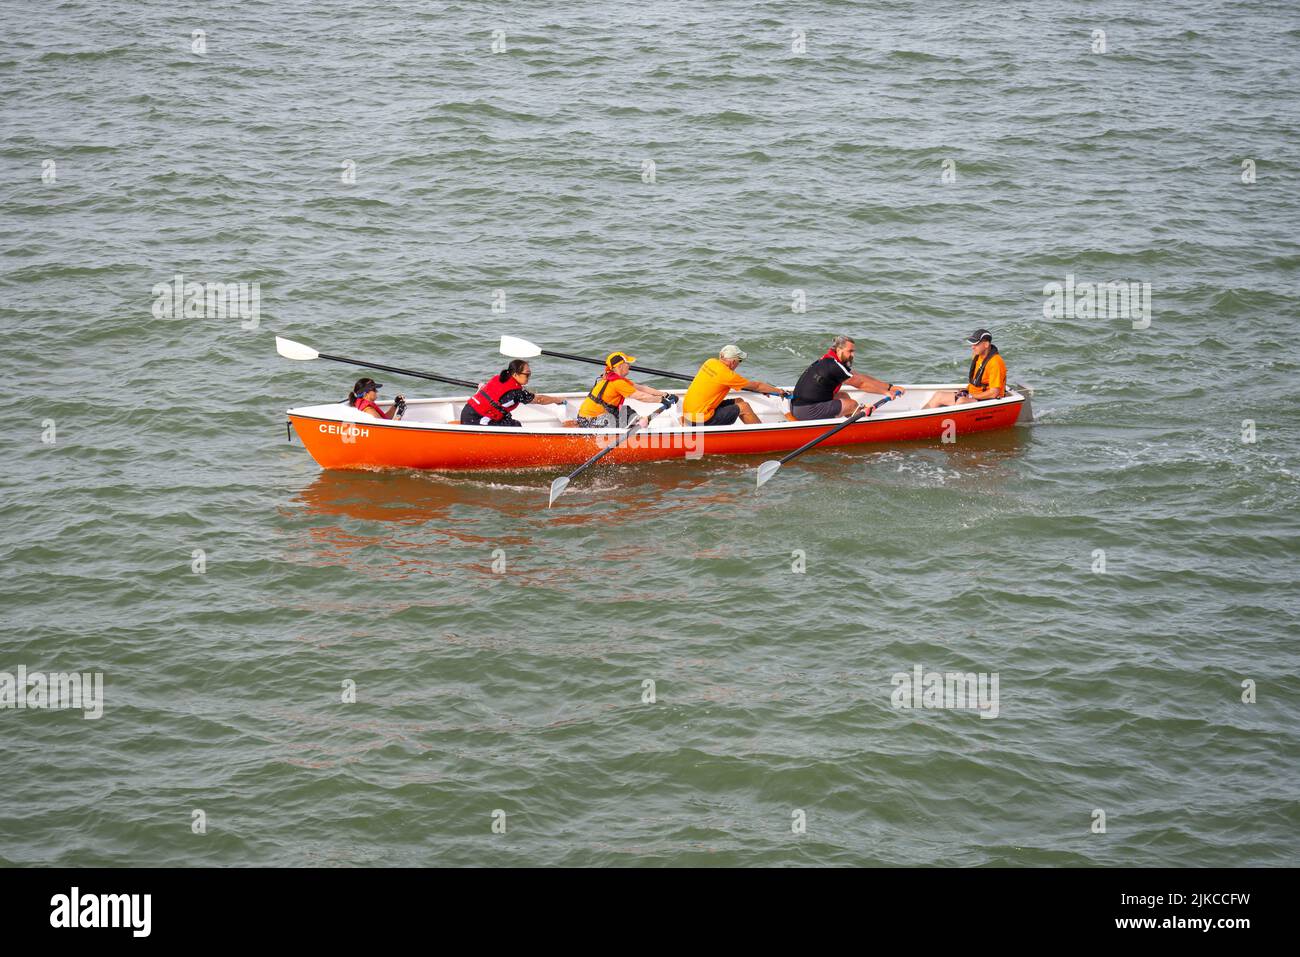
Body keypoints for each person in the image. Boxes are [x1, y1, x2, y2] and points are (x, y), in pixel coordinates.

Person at [790, 335, 904, 420]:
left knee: (843, 396)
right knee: (852, 404)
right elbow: (860, 384)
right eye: (850, 351)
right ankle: (860, 417)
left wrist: (889, 387)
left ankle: (857, 418)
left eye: (853, 351)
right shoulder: (834, 366)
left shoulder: (830, 359)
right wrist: (886, 393)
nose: (853, 355)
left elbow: (859, 377)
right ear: (839, 350)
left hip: (798, 406)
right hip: (805, 410)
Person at [681, 344, 787, 426]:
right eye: (739, 361)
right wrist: (779, 391)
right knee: (744, 407)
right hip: (698, 419)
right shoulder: (728, 376)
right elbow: (757, 386)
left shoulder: (710, 362)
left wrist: (765, 389)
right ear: (733, 362)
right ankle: (763, 436)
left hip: (689, 412)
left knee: (739, 401)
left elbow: (753, 387)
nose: (738, 364)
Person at [575, 352, 673, 428]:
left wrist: (665, 395)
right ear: (620, 366)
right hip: (589, 421)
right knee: (618, 421)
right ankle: (632, 430)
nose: (629, 366)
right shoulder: (617, 383)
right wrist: (660, 400)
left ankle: (638, 424)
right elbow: (641, 396)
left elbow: (642, 388)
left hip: (596, 416)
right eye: (627, 363)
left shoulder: (615, 379)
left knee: (627, 411)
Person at [461, 359, 566, 426]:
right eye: (527, 374)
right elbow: (540, 399)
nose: (529, 377)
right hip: (476, 419)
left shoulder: (498, 378)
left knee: (505, 418)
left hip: (467, 411)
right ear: (515, 374)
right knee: (515, 425)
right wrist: (557, 400)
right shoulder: (517, 392)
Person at [922, 329, 1007, 408]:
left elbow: (994, 393)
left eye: (976, 344)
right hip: (973, 394)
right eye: (972, 344)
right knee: (939, 395)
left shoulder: (995, 362)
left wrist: (971, 396)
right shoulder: (977, 356)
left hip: (990, 400)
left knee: (961, 401)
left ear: (986, 344)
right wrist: (966, 391)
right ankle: (920, 417)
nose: (972, 347)